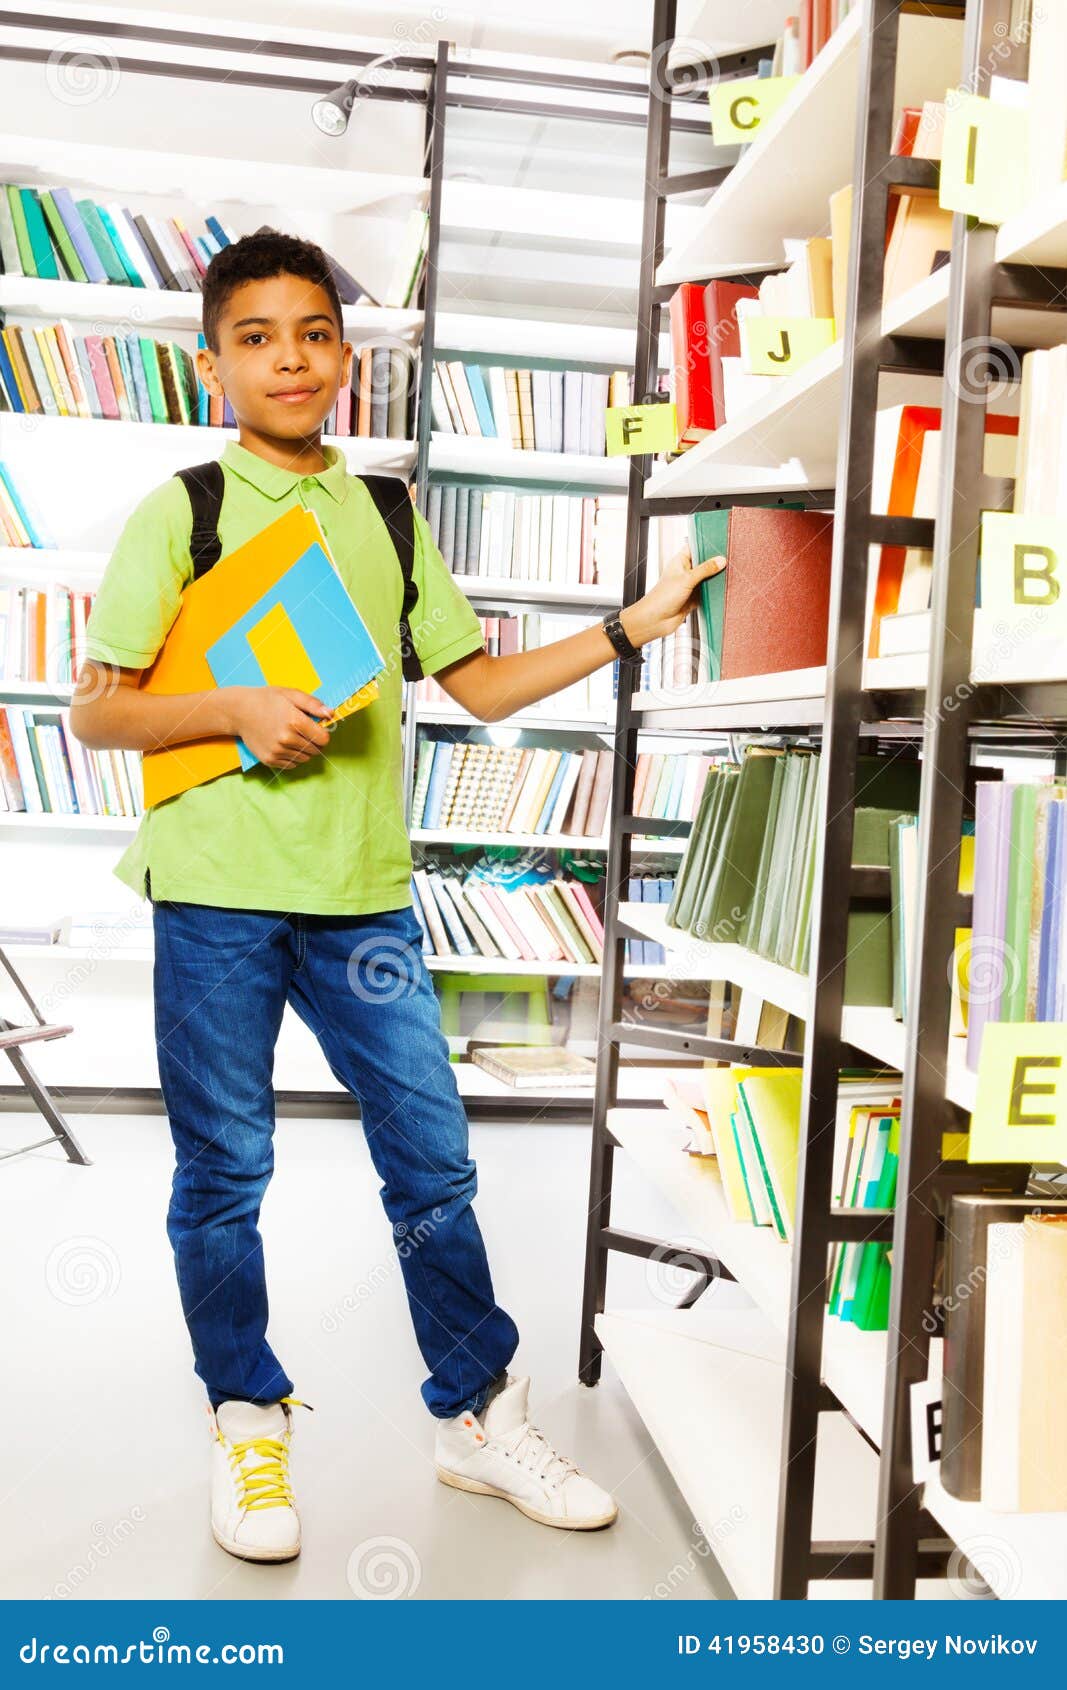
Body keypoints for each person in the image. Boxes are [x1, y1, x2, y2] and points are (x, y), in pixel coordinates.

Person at [69, 228, 723, 1565]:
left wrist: (626, 630)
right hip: (215, 897)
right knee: (225, 1171)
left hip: (364, 899)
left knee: (431, 1157)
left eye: (312, 332)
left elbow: (472, 688)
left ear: (346, 354)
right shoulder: (180, 512)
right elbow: (97, 709)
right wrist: (238, 705)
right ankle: (248, 1408)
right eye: (256, 337)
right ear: (214, 362)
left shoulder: (387, 513)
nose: (290, 358)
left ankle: (477, 1410)